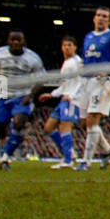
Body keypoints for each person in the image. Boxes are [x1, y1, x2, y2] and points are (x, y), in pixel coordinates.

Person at [75, 7, 110, 171]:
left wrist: (107, 70)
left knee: (93, 118)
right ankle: (106, 151)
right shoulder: (88, 37)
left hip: (103, 81)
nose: (101, 18)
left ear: (109, 21)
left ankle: (86, 161)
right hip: (87, 81)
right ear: (94, 18)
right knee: (84, 121)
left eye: (104, 17)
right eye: (98, 15)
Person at [0, 30, 45, 170]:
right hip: (2, 89)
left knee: (19, 122)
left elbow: (41, 80)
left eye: (19, 40)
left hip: (22, 93)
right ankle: (4, 143)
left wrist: (30, 96)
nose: (16, 42)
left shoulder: (33, 58)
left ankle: (5, 157)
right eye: (13, 40)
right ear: (8, 41)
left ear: (24, 42)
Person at [38, 35, 86, 170]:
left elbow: (83, 81)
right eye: (65, 45)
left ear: (75, 47)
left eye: (70, 45)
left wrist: (73, 96)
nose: (67, 47)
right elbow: (65, 85)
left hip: (72, 100)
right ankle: (68, 153)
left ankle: (68, 160)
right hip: (64, 99)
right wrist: (51, 94)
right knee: (49, 127)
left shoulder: (77, 62)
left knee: (65, 127)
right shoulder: (67, 63)